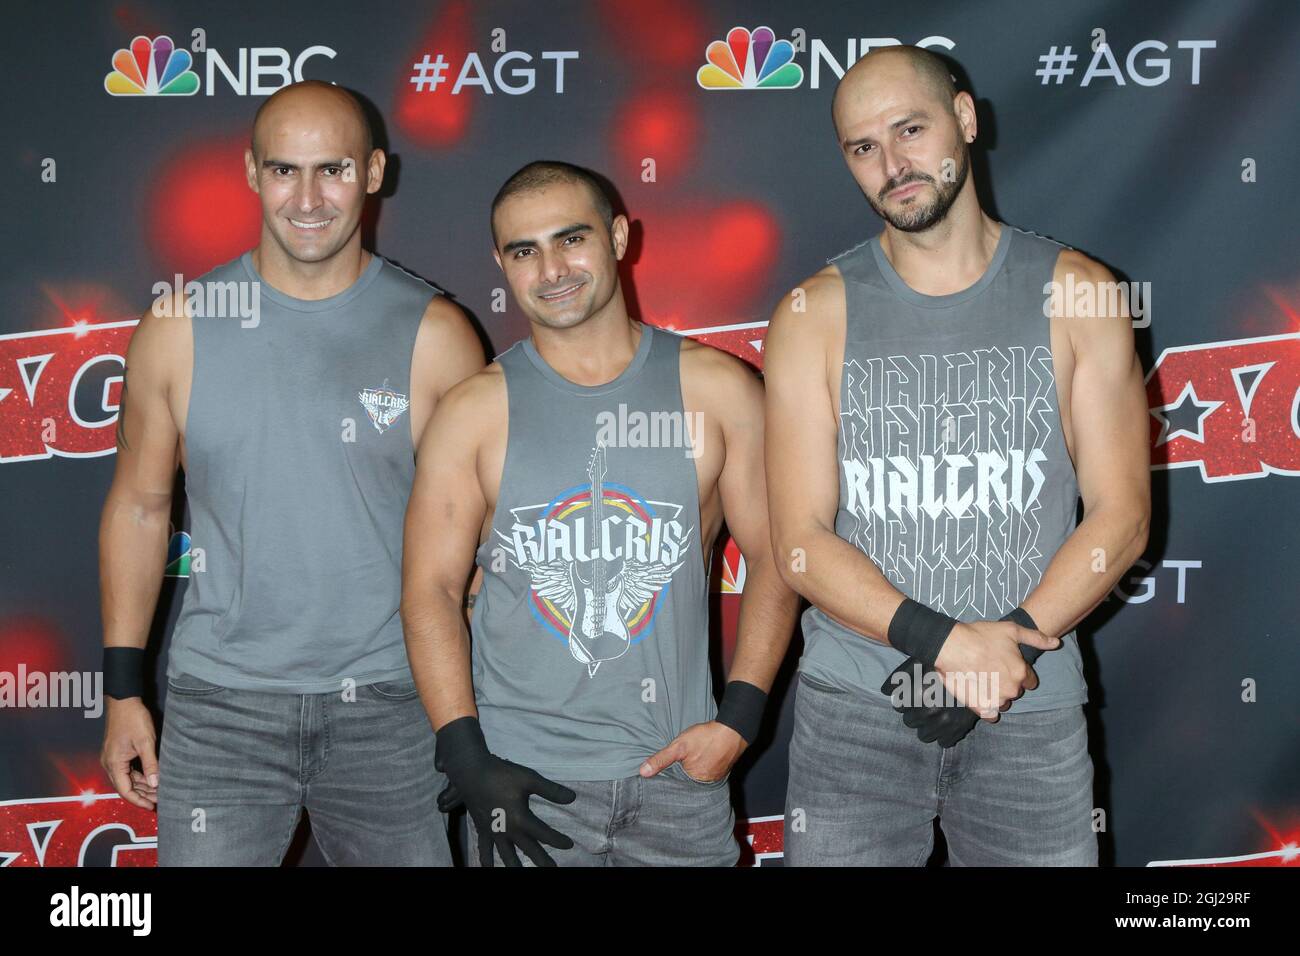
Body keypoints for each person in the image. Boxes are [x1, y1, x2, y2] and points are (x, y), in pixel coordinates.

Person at [764, 47, 1150, 865]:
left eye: (910, 130)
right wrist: (945, 645)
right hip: (855, 714)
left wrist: (1003, 651)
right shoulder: (810, 315)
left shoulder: (1078, 292)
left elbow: (1121, 517)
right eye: (864, 147)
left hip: (1030, 705)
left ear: (965, 120)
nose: (892, 164)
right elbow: (798, 540)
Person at [98, 80, 484, 866]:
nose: (308, 199)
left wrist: (470, 711)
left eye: (332, 170)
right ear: (251, 173)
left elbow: (479, 543)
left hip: (393, 705)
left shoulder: (438, 335)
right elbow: (140, 508)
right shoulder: (177, 328)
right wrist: (122, 689)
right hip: (221, 709)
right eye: (284, 170)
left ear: (373, 172)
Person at [401, 161, 799, 867]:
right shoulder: (472, 412)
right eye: (524, 251)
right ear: (501, 263)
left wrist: (739, 723)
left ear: (617, 237)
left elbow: (777, 555)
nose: (551, 269)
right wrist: (465, 757)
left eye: (571, 239)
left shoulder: (716, 390)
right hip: (522, 781)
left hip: (680, 777)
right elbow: (430, 589)